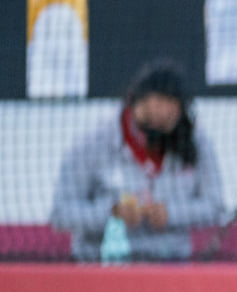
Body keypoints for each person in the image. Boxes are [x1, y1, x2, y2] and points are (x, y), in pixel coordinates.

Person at [50, 59, 225, 260]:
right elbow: (60, 214)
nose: (165, 112)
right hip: (101, 263)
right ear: (137, 100)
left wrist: (171, 214)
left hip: (171, 263)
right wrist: (111, 212)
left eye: (174, 106)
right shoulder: (93, 144)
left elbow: (214, 206)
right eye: (159, 101)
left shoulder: (195, 142)